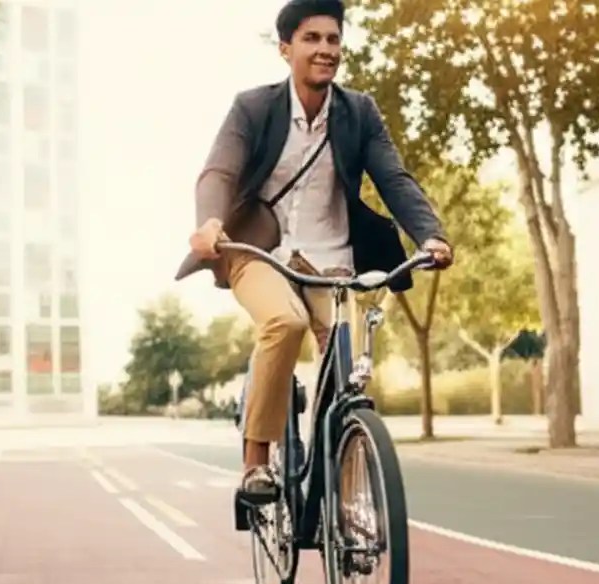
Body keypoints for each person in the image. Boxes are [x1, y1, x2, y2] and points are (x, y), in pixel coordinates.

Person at [174, 0, 452, 504]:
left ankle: (347, 503)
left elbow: (392, 178)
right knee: (286, 323)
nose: (326, 49)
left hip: (332, 261)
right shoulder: (253, 108)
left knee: (347, 366)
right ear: (286, 49)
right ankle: (256, 461)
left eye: (333, 39)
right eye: (312, 39)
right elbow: (219, 172)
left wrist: (430, 234)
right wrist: (209, 223)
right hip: (259, 252)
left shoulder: (358, 113)